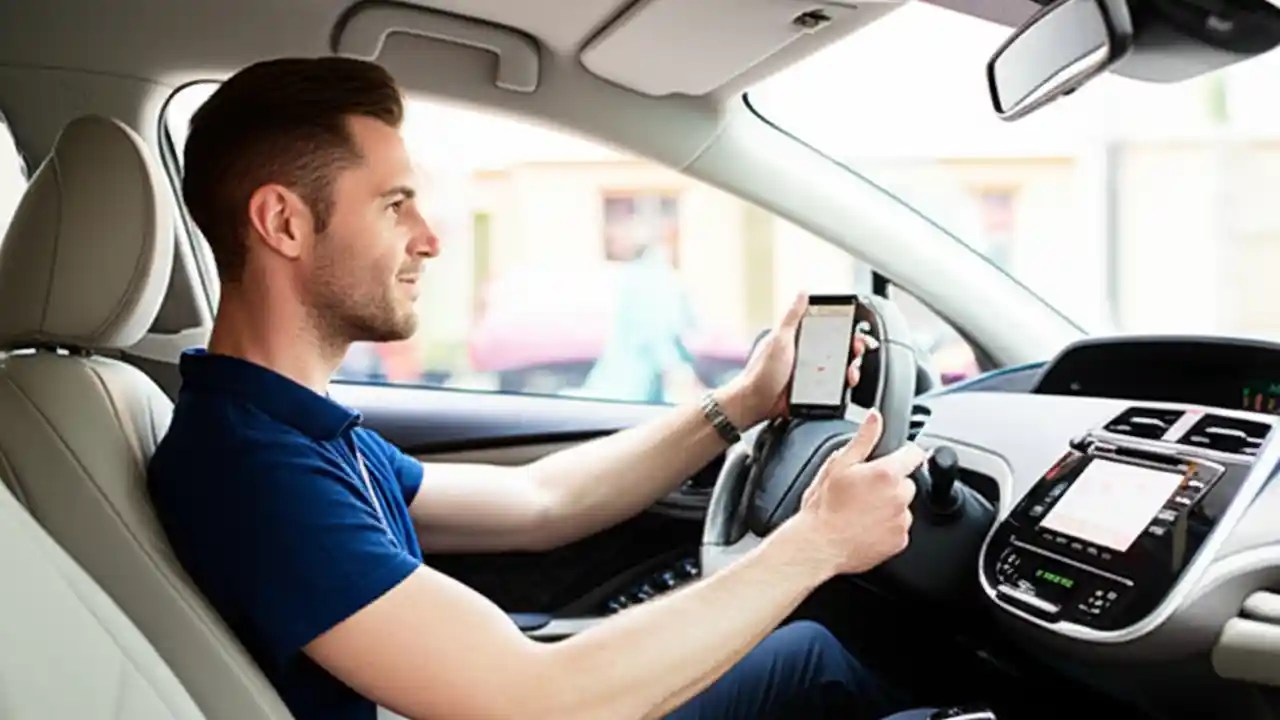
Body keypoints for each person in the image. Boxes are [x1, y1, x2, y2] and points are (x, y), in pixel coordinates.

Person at [147, 57, 934, 720]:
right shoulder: (253, 468)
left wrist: (742, 402)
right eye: (394, 206)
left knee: (808, 657)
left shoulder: (290, 429)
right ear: (283, 223)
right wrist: (818, 542)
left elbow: (542, 502)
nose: (430, 238)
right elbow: (535, 701)